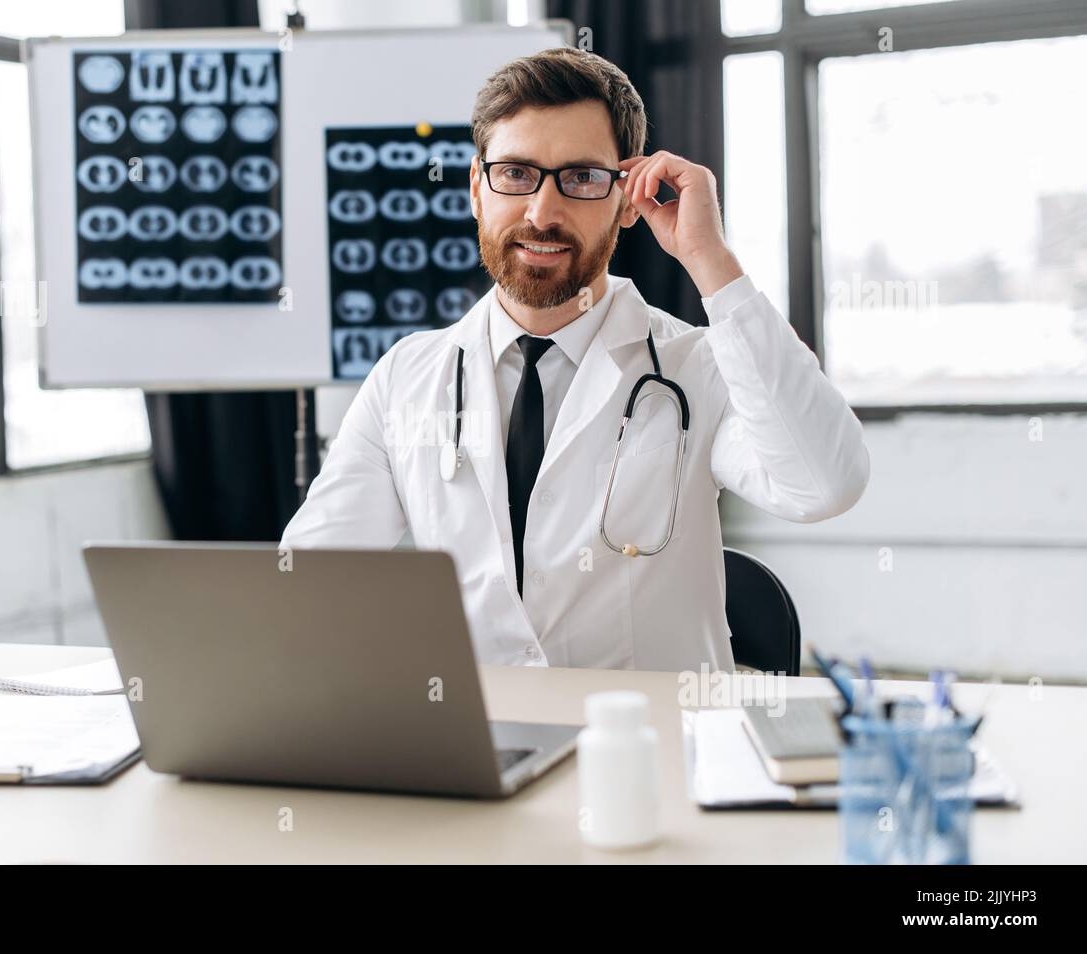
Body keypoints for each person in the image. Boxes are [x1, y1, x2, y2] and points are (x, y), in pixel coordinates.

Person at [282, 47, 870, 671]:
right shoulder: (407, 378)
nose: (543, 213)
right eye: (516, 173)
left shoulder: (696, 366)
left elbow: (823, 485)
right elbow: (311, 581)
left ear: (627, 199)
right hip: (483, 729)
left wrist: (710, 260)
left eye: (582, 178)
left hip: (658, 730)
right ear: (477, 188)